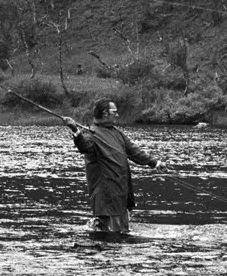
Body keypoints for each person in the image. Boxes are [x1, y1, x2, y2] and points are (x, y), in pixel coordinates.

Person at [62, 99, 162, 235]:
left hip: (121, 192)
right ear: (105, 114)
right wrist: (75, 130)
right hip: (106, 196)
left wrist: (155, 163)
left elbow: (134, 151)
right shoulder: (91, 135)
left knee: (122, 233)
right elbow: (84, 146)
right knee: (111, 236)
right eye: (114, 112)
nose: (118, 115)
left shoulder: (117, 133)